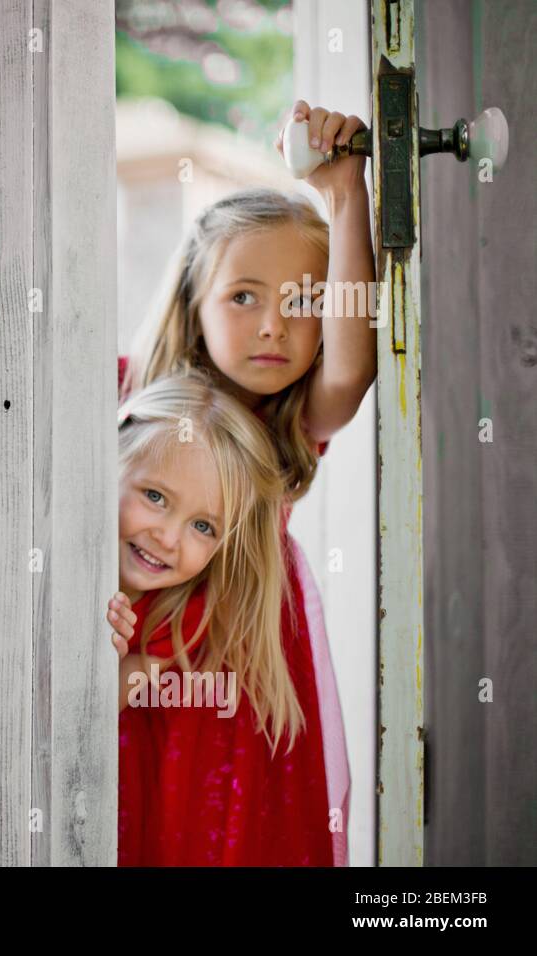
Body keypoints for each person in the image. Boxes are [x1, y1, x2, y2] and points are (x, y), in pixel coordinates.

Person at [111, 100, 375, 865]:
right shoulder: (127, 399)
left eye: (304, 303)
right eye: (243, 297)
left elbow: (353, 372)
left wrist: (345, 191)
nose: (273, 326)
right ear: (195, 302)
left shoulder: (283, 422)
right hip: (133, 684)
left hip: (241, 692)